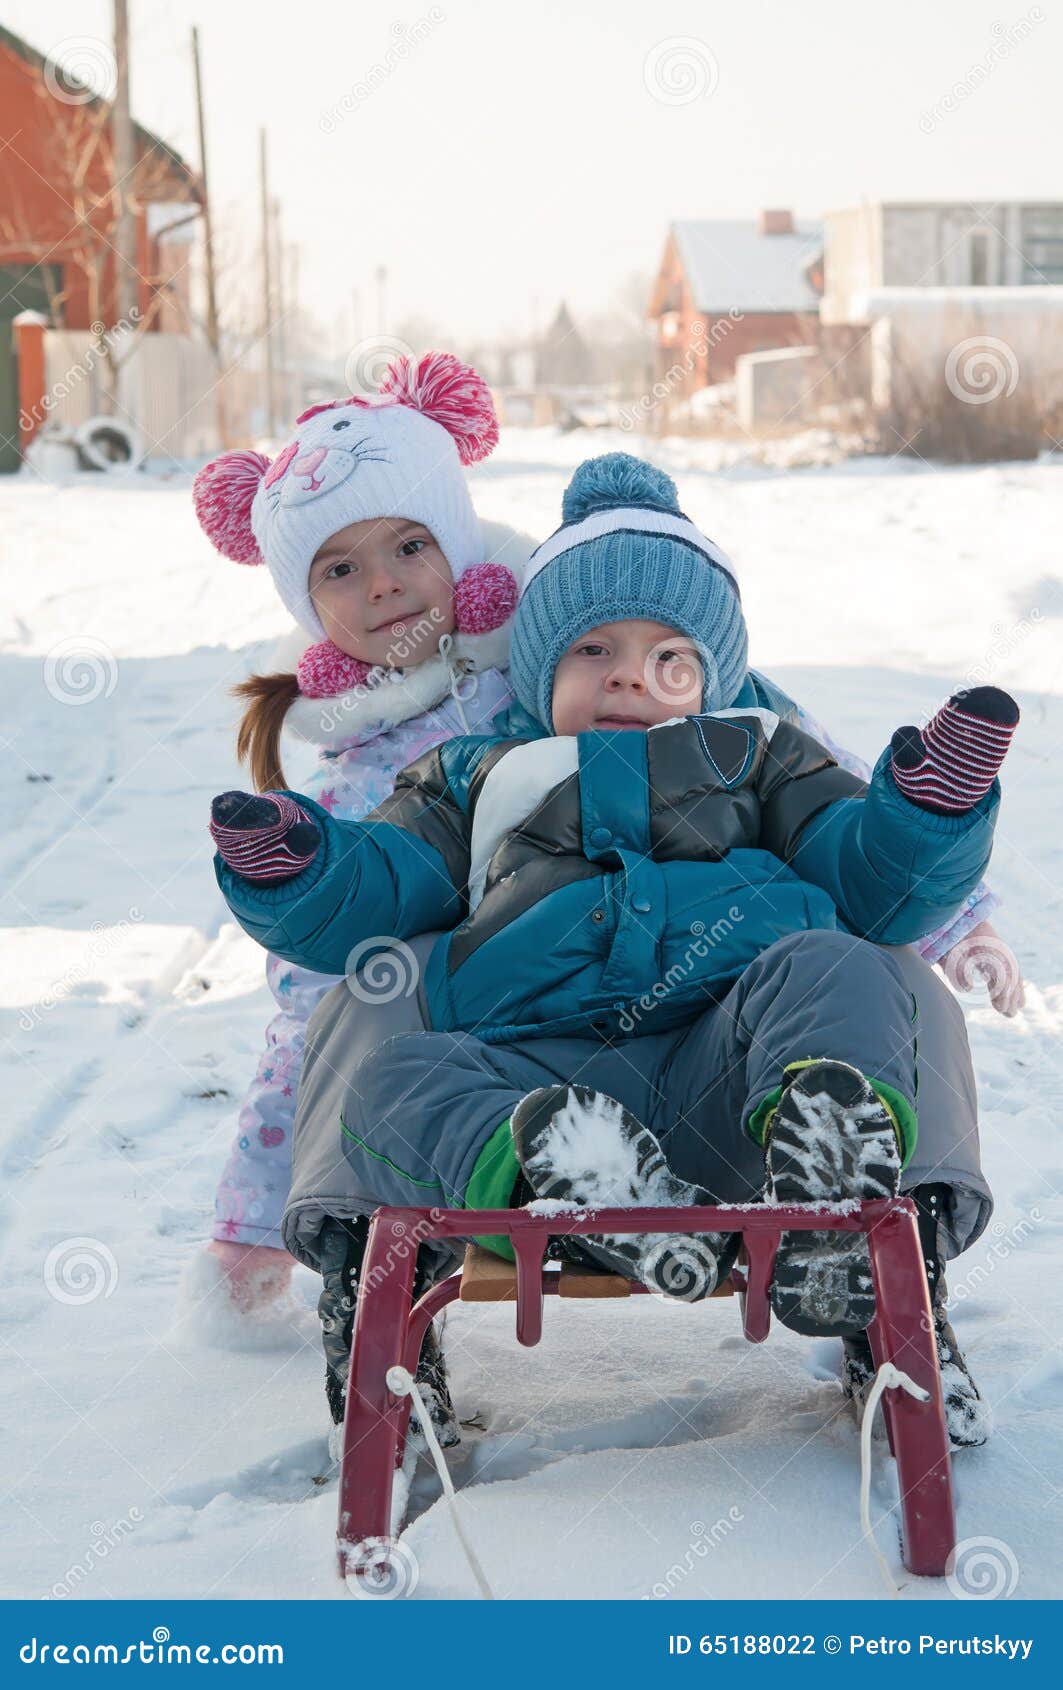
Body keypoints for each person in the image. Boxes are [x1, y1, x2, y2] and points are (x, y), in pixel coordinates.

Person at [210, 452, 1019, 1451]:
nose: (630, 674)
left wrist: (924, 811)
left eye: (670, 656)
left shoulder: (763, 755)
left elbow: (872, 878)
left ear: (713, 680)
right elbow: (376, 888)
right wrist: (296, 866)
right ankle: (566, 1176)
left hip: (740, 1087)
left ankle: (834, 1191)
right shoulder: (476, 776)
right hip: (531, 1079)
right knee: (396, 1070)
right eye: (592, 649)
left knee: (845, 965)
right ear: (540, 669)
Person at [192, 352, 528, 1319]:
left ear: (459, 544)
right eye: (339, 568)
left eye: (410, 545)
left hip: (580, 981)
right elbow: (311, 1016)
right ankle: (347, 1241)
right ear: (308, 606)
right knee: (338, 1021)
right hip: (430, 1026)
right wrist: (255, 1226)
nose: (382, 585)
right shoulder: (352, 777)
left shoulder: (552, 673)